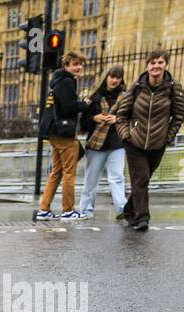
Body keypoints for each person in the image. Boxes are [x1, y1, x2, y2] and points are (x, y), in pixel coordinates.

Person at [116, 49, 184, 232]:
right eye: (152, 63)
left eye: (160, 62)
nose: (156, 66)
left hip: (158, 143)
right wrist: (126, 135)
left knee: (143, 181)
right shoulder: (137, 87)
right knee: (142, 178)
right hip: (135, 142)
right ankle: (142, 218)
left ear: (166, 65)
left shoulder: (173, 88)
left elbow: (178, 117)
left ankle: (128, 210)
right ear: (147, 65)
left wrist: (167, 137)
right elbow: (122, 114)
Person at [36, 51, 86, 222]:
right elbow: (69, 107)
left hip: (54, 133)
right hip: (64, 133)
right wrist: (84, 104)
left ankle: (44, 209)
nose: (78, 67)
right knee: (69, 173)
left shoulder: (58, 81)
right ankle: (68, 210)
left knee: (56, 171)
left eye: (80, 64)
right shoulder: (66, 82)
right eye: (75, 64)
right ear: (66, 66)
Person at [76, 64, 127, 220]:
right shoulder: (94, 97)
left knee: (117, 177)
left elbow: (131, 119)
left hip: (117, 143)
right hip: (96, 144)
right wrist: (94, 118)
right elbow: (83, 124)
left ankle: (122, 210)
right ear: (106, 77)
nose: (114, 80)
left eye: (118, 78)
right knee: (91, 179)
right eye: (112, 77)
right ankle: (85, 210)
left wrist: (117, 119)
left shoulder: (125, 97)